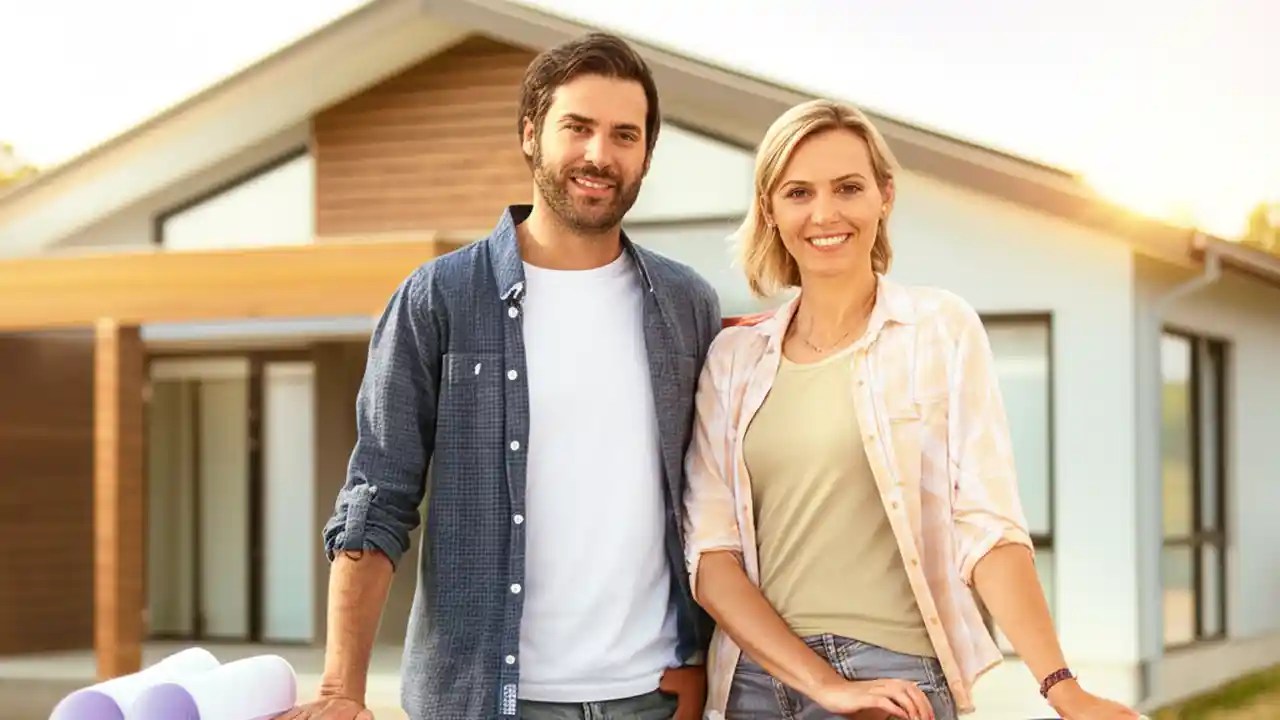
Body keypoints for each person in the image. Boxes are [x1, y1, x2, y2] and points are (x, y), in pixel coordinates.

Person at [278, 32, 720, 720]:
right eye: (577, 127)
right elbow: (377, 497)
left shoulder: (687, 305)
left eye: (624, 135)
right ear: (530, 134)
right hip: (483, 700)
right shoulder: (440, 298)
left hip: (651, 698)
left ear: (646, 155)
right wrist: (341, 690)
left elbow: (715, 503)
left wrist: (705, 669)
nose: (599, 155)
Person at [682, 99, 1140, 720]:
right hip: (755, 684)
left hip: (893, 678)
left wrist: (1063, 688)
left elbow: (986, 528)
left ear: (885, 196)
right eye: (798, 193)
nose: (825, 213)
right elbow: (712, 558)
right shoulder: (734, 358)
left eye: (848, 188)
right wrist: (824, 685)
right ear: (770, 210)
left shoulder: (938, 329)